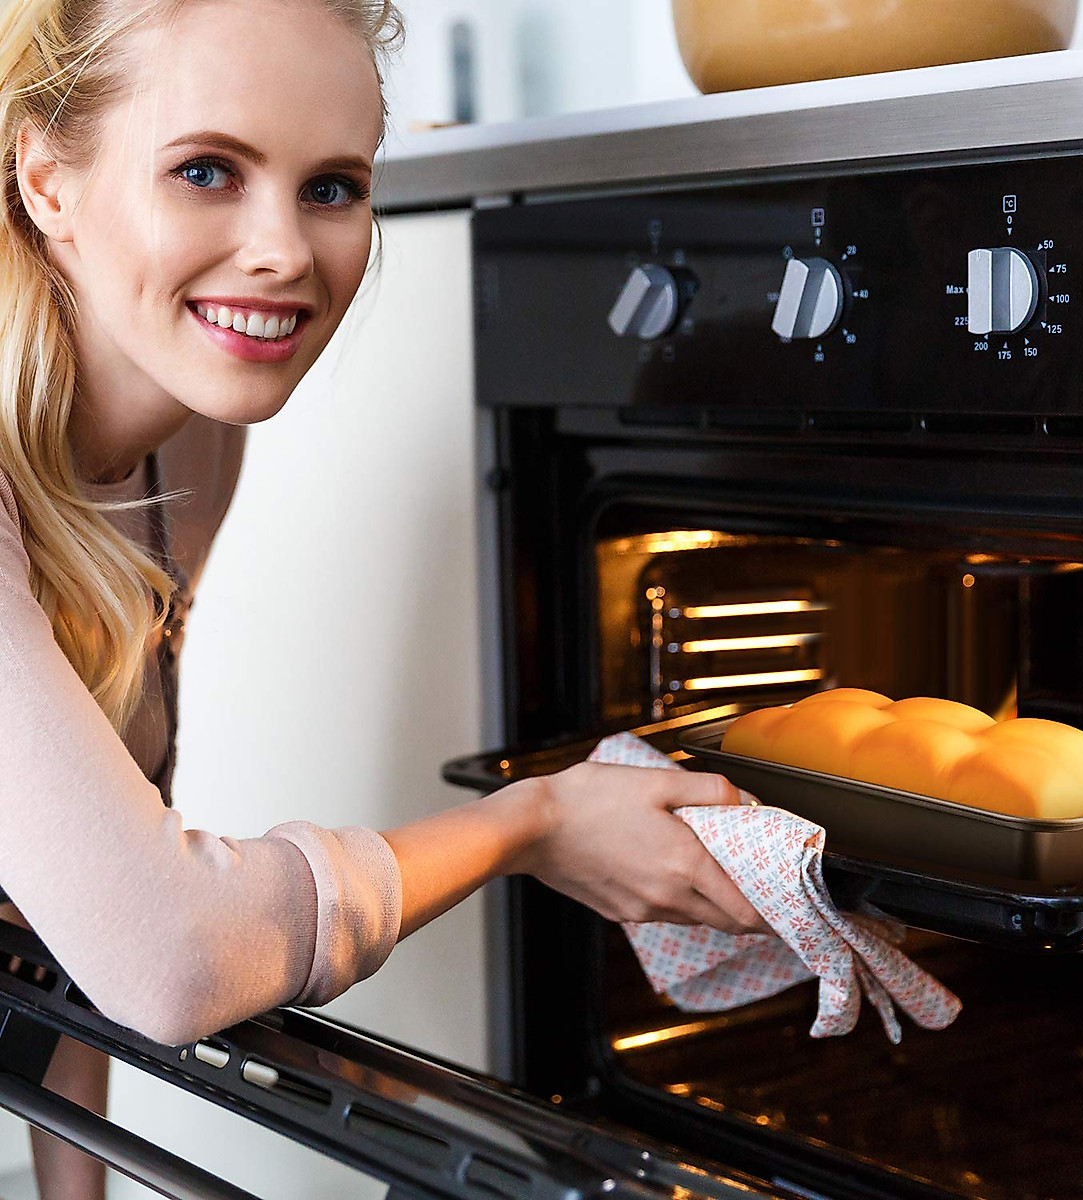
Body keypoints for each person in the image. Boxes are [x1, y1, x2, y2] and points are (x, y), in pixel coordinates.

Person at [0, 1, 769, 1196]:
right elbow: (170, 952)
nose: (284, 253)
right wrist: (534, 823)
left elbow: (74, 916)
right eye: (208, 170)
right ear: (47, 180)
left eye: (332, 187)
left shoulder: (191, 449)